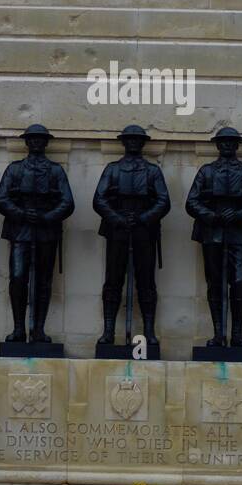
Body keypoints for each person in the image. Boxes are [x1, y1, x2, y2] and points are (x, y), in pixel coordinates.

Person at [186, 128, 242, 348]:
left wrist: (239, 215)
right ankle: (218, 333)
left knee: (239, 283)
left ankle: (237, 334)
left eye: (231, 142)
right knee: (215, 284)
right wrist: (211, 216)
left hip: (239, 234)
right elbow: (191, 202)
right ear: (217, 145)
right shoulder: (207, 171)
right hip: (212, 234)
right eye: (223, 142)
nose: (227, 146)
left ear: (237, 145)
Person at [0, 124, 74, 343]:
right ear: (26, 142)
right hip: (20, 230)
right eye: (32, 139)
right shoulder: (15, 169)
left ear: (46, 142)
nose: (36, 143)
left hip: (46, 232)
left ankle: (38, 329)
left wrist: (46, 217)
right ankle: (19, 328)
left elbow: (67, 202)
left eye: (40, 139)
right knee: (18, 278)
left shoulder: (56, 170)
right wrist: (21, 213)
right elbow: (1, 199)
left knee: (43, 281)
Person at [93, 125, 170, 350]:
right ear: (123, 142)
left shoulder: (153, 171)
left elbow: (163, 201)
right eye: (130, 139)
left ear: (143, 143)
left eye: (138, 140)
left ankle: (148, 331)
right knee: (113, 280)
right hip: (117, 230)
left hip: (144, 231)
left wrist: (144, 218)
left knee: (146, 281)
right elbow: (99, 199)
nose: (133, 143)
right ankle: (108, 330)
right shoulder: (113, 169)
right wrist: (117, 218)